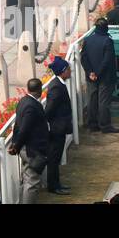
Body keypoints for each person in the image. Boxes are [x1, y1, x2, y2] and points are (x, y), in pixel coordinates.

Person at [8, 77, 50, 204]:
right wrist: (16, 145)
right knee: (32, 182)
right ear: (39, 90)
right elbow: (24, 128)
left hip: (26, 147)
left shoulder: (23, 101)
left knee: (27, 179)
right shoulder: (32, 106)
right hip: (32, 149)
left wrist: (15, 144)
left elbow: (18, 125)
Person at [81, 17, 119, 133]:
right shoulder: (107, 41)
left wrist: (90, 72)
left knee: (92, 100)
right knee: (103, 102)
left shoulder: (87, 40)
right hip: (105, 77)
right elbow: (107, 60)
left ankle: (92, 124)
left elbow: (84, 58)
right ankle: (105, 125)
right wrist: (97, 73)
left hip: (91, 76)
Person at [44, 57, 73, 195]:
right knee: (54, 158)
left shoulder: (59, 84)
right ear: (63, 71)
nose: (70, 71)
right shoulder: (56, 87)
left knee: (57, 157)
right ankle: (53, 186)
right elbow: (49, 110)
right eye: (68, 69)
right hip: (56, 129)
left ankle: (57, 183)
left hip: (59, 127)